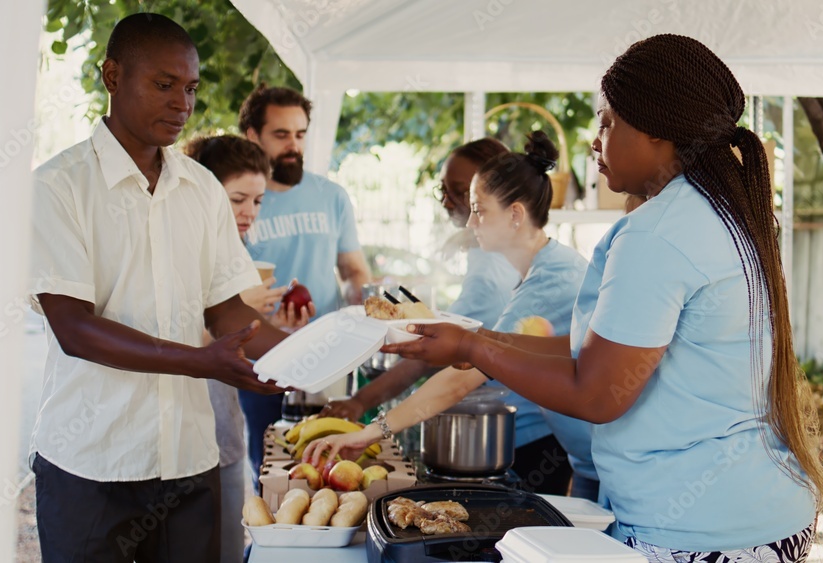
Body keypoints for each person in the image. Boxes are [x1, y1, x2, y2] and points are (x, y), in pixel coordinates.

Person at [378, 34, 823, 561]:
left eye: (608, 122)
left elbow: (598, 393)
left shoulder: (656, 234)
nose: (595, 140)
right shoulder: (717, 213)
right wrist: (474, 341)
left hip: (700, 529)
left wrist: (478, 350)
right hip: (759, 514)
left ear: (658, 132)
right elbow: (602, 353)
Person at [28, 14, 289, 562]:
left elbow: (225, 312)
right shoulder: (58, 187)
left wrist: (317, 355)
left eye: (191, 88)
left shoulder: (200, 190)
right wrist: (203, 363)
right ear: (112, 76)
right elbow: (75, 329)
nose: (182, 104)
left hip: (186, 461)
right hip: (90, 462)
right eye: (164, 84)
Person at [306, 131, 584, 495]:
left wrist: (370, 432)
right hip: (585, 456)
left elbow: (461, 377)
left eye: (480, 211)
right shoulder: (540, 268)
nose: (470, 223)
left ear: (515, 215)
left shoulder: (551, 280)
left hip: (598, 457)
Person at [321, 138, 520, 423]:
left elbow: (431, 353)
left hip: (512, 429)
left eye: (461, 192)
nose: (447, 202)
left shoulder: (489, 272)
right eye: (443, 190)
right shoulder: (491, 253)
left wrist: (359, 402)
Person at [236, 84, 373, 487]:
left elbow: (353, 271)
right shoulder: (241, 200)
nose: (293, 145)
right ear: (253, 136)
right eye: (281, 135)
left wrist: (362, 303)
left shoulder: (332, 196)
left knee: (334, 467)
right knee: (271, 472)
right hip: (263, 356)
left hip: (328, 356)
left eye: (300, 134)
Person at [185, 134, 311, 563]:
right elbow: (174, 346)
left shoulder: (235, 252)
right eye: (238, 198)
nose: (248, 212)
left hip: (221, 427)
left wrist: (275, 326)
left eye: (257, 201)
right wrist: (241, 316)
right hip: (185, 434)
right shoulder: (183, 250)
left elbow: (241, 341)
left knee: (223, 545)